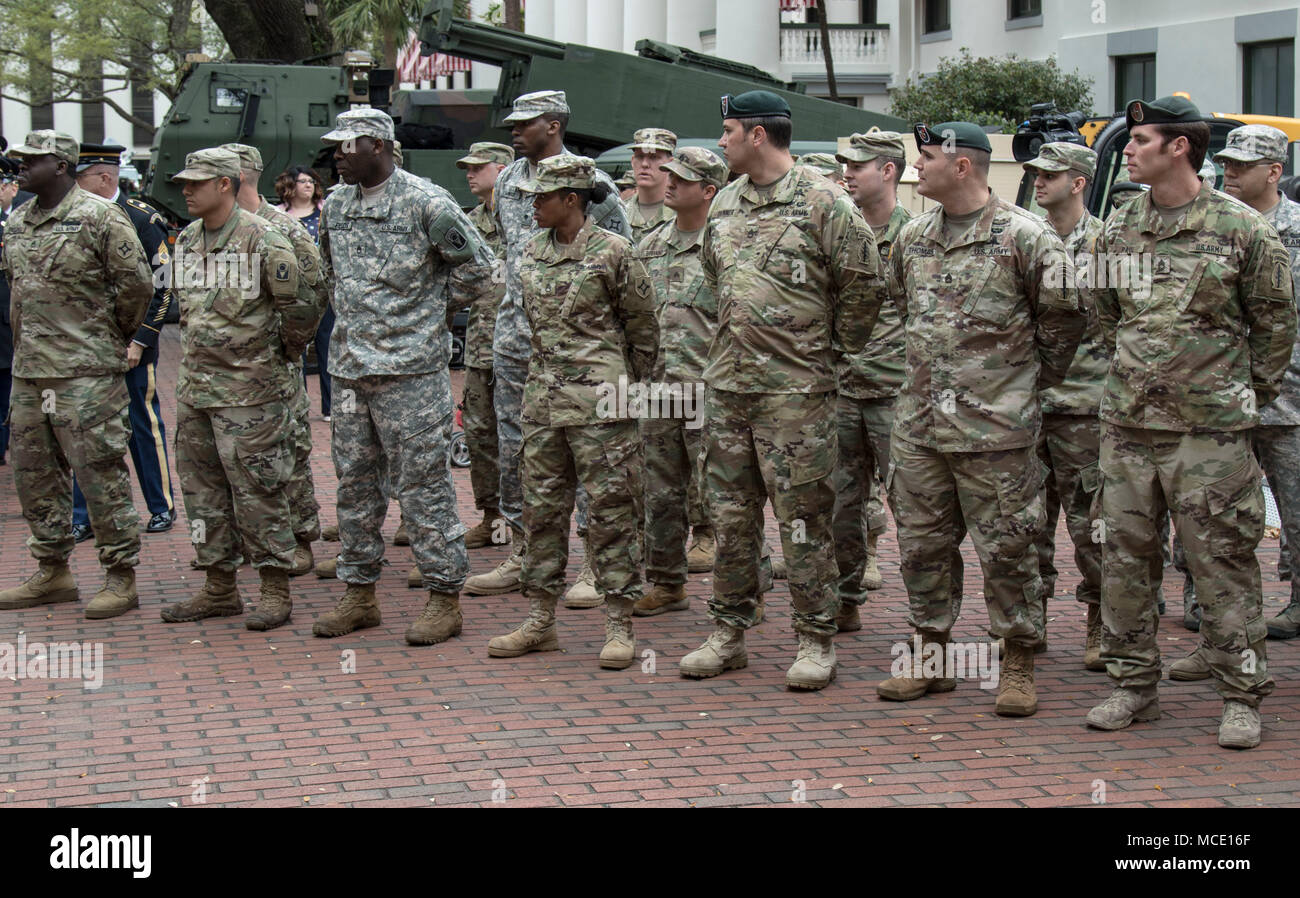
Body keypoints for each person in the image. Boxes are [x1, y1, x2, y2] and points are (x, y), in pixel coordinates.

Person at [1084, 96, 1295, 750]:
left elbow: (1276, 326)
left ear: (1179, 147)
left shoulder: (1241, 230)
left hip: (1210, 434)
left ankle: (1240, 694)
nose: (1131, 150)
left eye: (1142, 139)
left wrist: (1233, 396)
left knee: (1223, 561)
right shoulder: (1118, 227)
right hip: (1128, 428)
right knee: (1125, 558)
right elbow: (1100, 312)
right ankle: (1132, 684)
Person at [873, 121, 1086, 716]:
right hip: (920, 427)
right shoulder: (912, 237)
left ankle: (1016, 658)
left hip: (998, 432)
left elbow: (1064, 324)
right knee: (920, 547)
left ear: (962, 166)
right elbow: (900, 306)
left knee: (1008, 550)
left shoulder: (1028, 238)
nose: (917, 168)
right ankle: (931, 655)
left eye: (928, 157)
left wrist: (1015, 388)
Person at [679, 90, 887, 690]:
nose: (721, 141)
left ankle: (816, 636)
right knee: (730, 517)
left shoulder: (825, 203)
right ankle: (729, 631)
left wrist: (819, 353)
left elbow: (863, 291)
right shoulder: (725, 206)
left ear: (759, 136)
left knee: (803, 520)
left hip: (796, 396)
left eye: (728, 131)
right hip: (727, 390)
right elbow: (721, 284)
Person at [313, 109, 494, 646]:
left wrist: (427, 313)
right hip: (349, 372)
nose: (338, 156)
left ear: (379, 144)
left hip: (411, 375)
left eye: (348, 147)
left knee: (424, 487)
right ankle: (359, 593)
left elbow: (480, 272)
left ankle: (444, 598)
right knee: (355, 485)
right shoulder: (336, 204)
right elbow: (332, 273)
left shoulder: (426, 202)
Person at [486, 154, 658, 668]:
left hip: (603, 408)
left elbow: (644, 329)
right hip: (543, 405)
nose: (532, 205)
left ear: (572, 200)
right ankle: (540, 619)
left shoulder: (614, 253)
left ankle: (618, 622)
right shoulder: (530, 252)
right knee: (541, 513)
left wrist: (628, 390)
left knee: (612, 514)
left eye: (542, 197)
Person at [464, 90, 630, 607]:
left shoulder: (592, 182)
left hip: (580, 345)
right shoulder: (511, 179)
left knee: (586, 453)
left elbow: (622, 258)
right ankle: (524, 550)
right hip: (517, 336)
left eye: (525, 122)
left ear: (554, 124)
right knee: (519, 448)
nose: (513, 130)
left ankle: (593, 563)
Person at [157, 148, 315, 630]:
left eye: (195, 183)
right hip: (197, 391)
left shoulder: (263, 238)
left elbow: (304, 307)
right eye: (183, 182)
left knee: (260, 489)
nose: (185, 190)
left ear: (225, 184)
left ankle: (274, 587)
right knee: (202, 493)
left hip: (251, 393)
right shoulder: (185, 238)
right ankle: (219, 587)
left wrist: (279, 356)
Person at [0, 131, 153, 619]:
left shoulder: (100, 217)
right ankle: (53, 571)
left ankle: (120, 575)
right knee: (35, 475)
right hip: (30, 373)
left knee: (100, 472)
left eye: (32, 160)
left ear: (62, 165)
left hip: (85, 373)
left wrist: (104, 340)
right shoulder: (19, 220)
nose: (20, 167)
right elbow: (16, 287)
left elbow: (136, 287)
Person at [1165, 124, 1300, 670]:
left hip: (1289, 396)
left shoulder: (1296, 228)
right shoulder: (1210, 222)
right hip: (1217, 397)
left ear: (1276, 171)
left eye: (1244, 164)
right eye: (1227, 163)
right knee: (1208, 511)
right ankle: (1204, 606)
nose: (1231, 172)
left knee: (1294, 509)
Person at [223, 142, 330, 578]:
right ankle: (244, 540)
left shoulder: (282, 228)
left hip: (272, 369)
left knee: (288, 453)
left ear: (236, 177)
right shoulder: (211, 230)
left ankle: (302, 537)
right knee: (231, 459)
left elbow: (313, 294)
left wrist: (288, 349)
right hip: (222, 372)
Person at [1022, 140, 1108, 669]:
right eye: (1034, 172)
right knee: (1027, 526)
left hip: (1086, 409)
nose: (1038, 181)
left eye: (1049, 174)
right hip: (1027, 406)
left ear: (1078, 182)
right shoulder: (1021, 237)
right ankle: (1031, 623)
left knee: (1092, 526)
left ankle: (1101, 621)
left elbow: (1123, 325)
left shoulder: (1108, 245)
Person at [634, 146, 729, 617]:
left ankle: (744, 587)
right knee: (660, 491)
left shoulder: (727, 247)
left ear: (709, 191)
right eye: (668, 174)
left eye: (682, 178)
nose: (668, 182)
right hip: (657, 391)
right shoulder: (648, 246)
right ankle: (668, 582)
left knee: (727, 496)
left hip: (710, 393)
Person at [67, 143, 175, 543]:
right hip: (87, 348)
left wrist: (141, 339)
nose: (74, 188)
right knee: (84, 430)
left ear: (104, 178)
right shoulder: (74, 218)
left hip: (132, 348)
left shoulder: (141, 219)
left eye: (80, 180)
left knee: (144, 427)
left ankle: (160, 506)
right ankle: (83, 514)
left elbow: (163, 288)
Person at [832, 130, 910, 627]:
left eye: (858, 166)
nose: (848, 174)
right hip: (840, 390)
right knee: (838, 508)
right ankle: (843, 601)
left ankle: (928, 623)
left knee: (914, 511)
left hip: (896, 395)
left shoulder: (916, 237)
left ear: (887, 171)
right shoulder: (835, 232)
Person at [455, 141, 514, 551]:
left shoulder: (525, 217)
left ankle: (523, 520)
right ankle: (493, 517)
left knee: (521, 438)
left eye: (479, 166)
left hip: (520, 347)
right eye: (467, 167)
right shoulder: (468, 223)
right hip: (480, 346)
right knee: (479, 433)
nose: (470, 173)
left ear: (503, 168)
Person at [277, 165, 332, 421]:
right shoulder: (278, 216)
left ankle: (330, 406)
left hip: (323, 288)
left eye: (311, 181)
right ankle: (297, 403)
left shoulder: (326, 211)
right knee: (293, 348)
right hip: (293, 291)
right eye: (302, 181)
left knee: (327, 346)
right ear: (290, 186)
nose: (308, 185)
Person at [625, 128, 677, 242]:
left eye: (654, 157)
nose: (644, 164)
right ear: (632, 161)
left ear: (670, 164)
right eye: (640, 157)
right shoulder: (619, 213)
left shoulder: (681, 215)